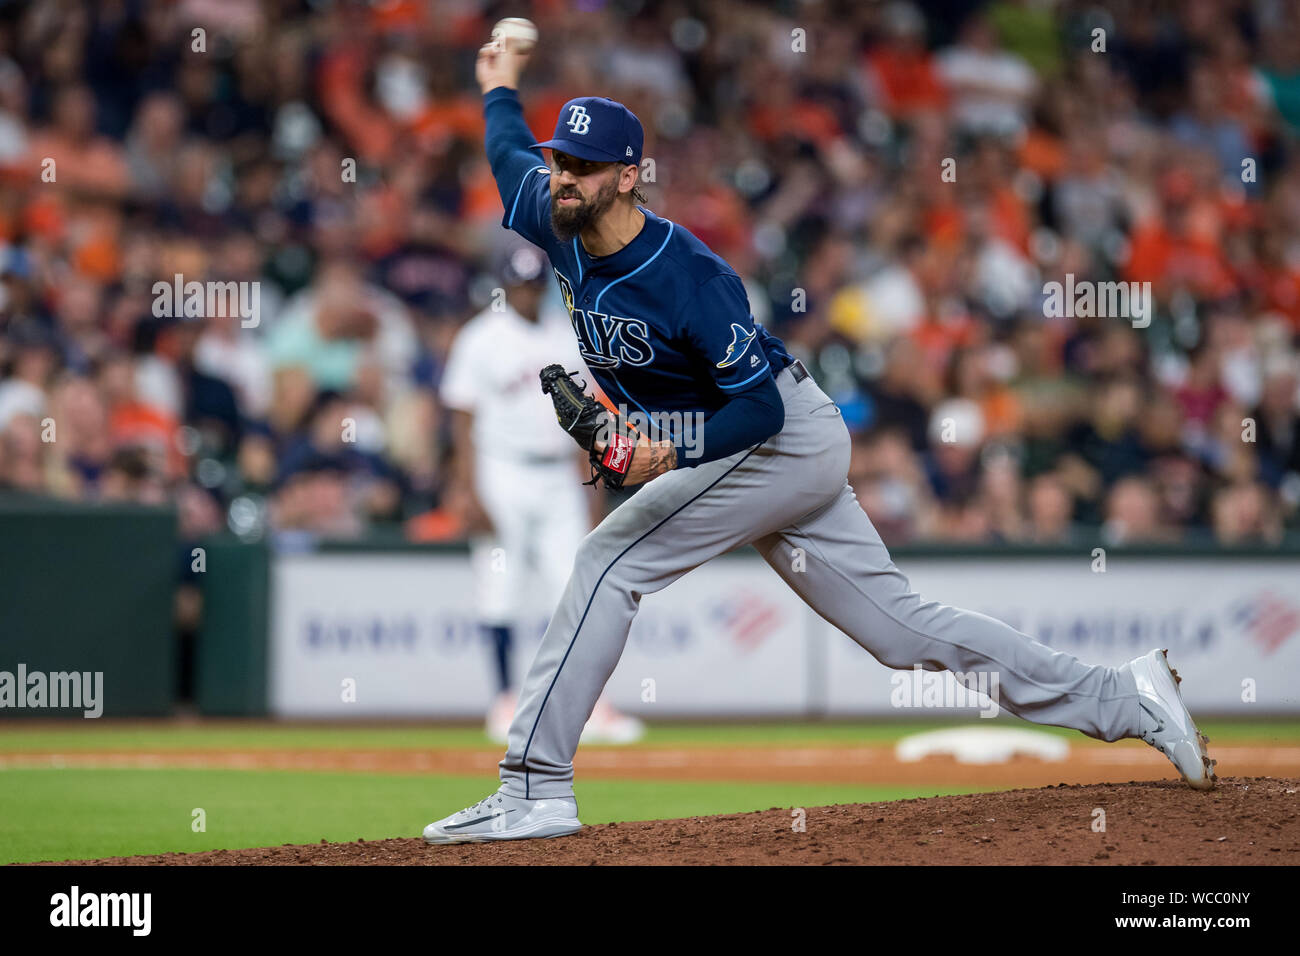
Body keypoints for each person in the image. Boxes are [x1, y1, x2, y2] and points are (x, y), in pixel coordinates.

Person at [421, 37, 1215, 845]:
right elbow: (505, 150)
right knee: (902, 632)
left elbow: (755, 412)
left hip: (778, 438)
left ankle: (534, 786)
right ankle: (1127, 695)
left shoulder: (686, 274)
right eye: (562, 162)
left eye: (584, 166)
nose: (563, 178)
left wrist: (665, 450)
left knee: (606, 562)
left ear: (628, 176)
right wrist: (499, 83)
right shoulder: (551, 212)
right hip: (770, 452)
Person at [440, 242, 644, 745]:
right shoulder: (480, 338)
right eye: (519, 284)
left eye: (534, 285)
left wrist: (591, 486)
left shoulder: (564, 334)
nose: (527, 293)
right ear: (504, 286)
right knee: (500, 584)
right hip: (500, 470)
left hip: (558, 473)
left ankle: (586, 704)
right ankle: (505, 699)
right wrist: (466, 489)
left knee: (576, 587)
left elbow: (585, 420)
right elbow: (461, 420)